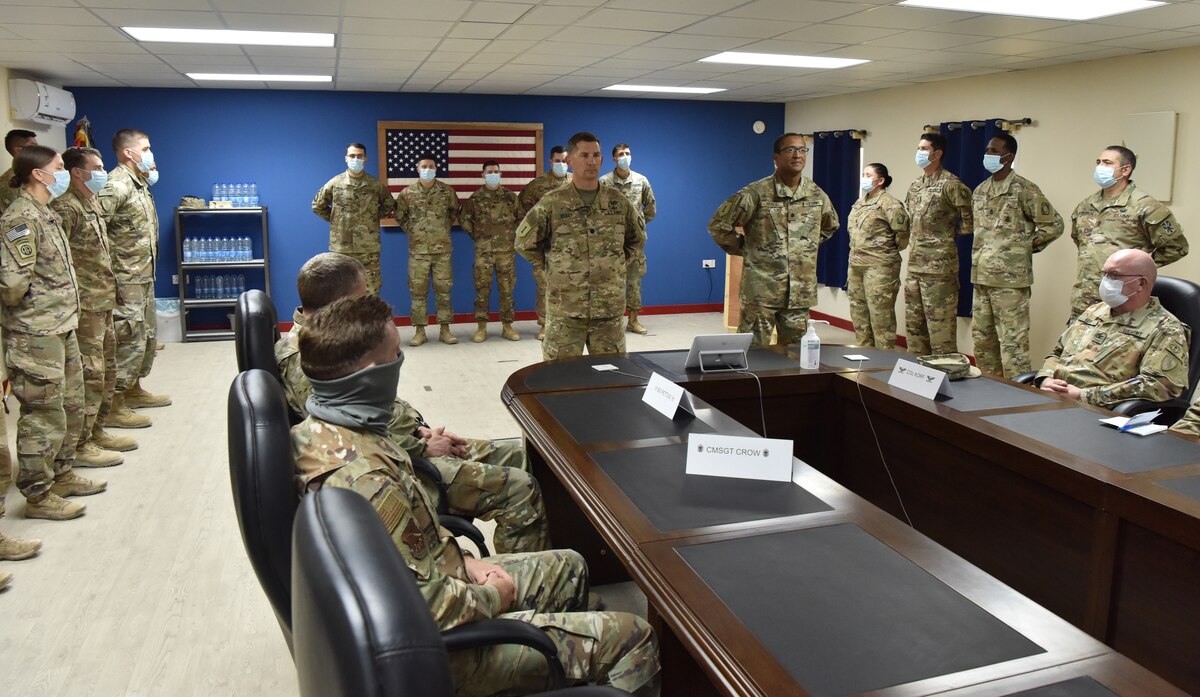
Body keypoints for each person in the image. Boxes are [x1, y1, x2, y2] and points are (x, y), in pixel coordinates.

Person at [291, 293, 660, 696]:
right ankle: (563, 656)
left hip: (442, 589)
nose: (401, 363)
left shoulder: (330, 432)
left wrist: (466, 564)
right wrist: (493, 597)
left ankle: (567, 668)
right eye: (395, 355)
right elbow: (430, 610)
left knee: (571, 567)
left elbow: (413, 553)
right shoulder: (366, 479)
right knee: (635, 637)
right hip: (448, 655)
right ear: (371, 374)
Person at [278, 252, 546, 553]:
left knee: (521, 456)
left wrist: (423, 433)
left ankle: (557, 541)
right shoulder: (307, 355)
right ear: (342, 303)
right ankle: (527, 581)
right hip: (403, 464)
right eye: (363, 293)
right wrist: (424, 447)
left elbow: (368, 411)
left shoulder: (332, 338)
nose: (369, 299)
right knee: (520, 487)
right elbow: (347, 434)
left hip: (411, 443)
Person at [0, 144, 107, 521]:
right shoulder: (19, 220)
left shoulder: (44, 213)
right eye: (59, 167)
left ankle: (61, 473)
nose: (65, 173)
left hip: (62, 325)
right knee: (42, 415)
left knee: (69, 407)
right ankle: (38, 494)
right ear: (38, 174)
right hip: (35, 333)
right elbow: (11, 284)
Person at [516, 132, 644, 360]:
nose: (591, 161)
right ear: (569, 161)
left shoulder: (618, 202)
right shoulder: (552, 202)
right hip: (565, 309)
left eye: (596, 155)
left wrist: (616, 266)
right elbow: (524, 242)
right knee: (559, 380)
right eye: (584, 155)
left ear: (602, 160)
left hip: (608, 308)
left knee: (612, 377)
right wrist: (554, 266)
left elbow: (636, 239)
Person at [707, 132, 838, 347]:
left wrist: (803, 247)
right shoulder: (755, 193)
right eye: (790, 150)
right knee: (752, 353)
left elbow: (830, 225)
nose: (797, 155)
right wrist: (745, 248)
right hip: (761, 292)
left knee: (797, 357)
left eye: (802, 150)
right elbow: (719, 226)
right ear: (775, 158)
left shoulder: (816, 195)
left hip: (799, 293)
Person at [51, 147, 133, 467]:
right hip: (84, 306)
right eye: (96, 168)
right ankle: (81, 444)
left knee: (105, 370)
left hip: (103, 301)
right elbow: (59, 262)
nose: (103, 173)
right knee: (89, 374)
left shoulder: (91, 203)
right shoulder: (65, 207)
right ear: (77, 172)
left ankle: (97, 429)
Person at [1036, 250, 1188, 409]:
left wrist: (1083, 395)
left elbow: (1157, 386)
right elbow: (1057, 352)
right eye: (1105, 274)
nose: (1105, 281)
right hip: (1051, 398)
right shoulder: (1094, 311)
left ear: (1141, 283)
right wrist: (1045, 379)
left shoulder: (1166, 328)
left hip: (1095, 410)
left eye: (1114, 275)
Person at [970, 134, 1064, 377]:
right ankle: (985, 391)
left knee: (1013, 346)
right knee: (983, 342)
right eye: (987, 149)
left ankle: (1017, 398)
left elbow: (1054, 225)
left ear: (1008, 157)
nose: (988, 154)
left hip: (1011, 283)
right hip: (981, 279)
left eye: (994, 150)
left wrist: (1022, 248)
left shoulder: (1025, 189)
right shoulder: (980, 190)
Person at [97, 128, 168, 429]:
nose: (151, 153)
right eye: (146, 148)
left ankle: (133, 389)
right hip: (124, 278)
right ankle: (114, 404)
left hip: (142, 274)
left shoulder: (138, 184)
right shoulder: (116, 184)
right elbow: (95, 230)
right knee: (127, 337)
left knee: (144, 335)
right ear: (129, 152)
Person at [1068, 145, 1187, 319]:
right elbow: (1080, 241)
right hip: (1085, 299)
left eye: (1107, 163)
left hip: (1123, 299)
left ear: (1125, 170)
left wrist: (1138, 267)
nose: (1100, 167)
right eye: (1098, 162)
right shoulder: (1086, 205)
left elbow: (1177, 247)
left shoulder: (1145, 206)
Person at [904, 132, 974, 357]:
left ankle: (946, 375)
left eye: (924, 149)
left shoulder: (951, 185)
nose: (919, 153)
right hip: (915, 266)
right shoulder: (916, 186)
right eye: (918, 148)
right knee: (915, 328)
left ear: (938, 153)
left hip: (939, 270)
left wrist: (944, 238)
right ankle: (915, 375)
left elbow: (970, 222)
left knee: (940, 330)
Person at [309, 142, 396, 295]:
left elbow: (389, 205)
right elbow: (317, 205)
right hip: (342, 247)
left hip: (368, 247)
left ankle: (368, 320)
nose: (356, 159)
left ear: (365, 159)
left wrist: (372, 218)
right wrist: (336, 220)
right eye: (352, 156)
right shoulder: (336, 183)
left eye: (359, 156)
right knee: (340, 291)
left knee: (371, 291)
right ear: (346, 158)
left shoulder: (375, 185)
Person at [395, 152, 460, 346]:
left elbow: (454, 213)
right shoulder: (407, 193)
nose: (427, 170)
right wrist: (414, 231)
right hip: (418, 251)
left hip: (442, 251)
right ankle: (420, 331)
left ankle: (445, 329)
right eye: (424, 166)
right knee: (418, 291)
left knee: (444, 290)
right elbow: (400, 216)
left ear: (436, 169)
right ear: (417, 169)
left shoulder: (447, 192)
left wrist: (441, 230)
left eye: (431, 166)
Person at [847, 162, 909, 349]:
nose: (863, 178)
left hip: (880, 266)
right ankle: (864, 352)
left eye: (868, 175)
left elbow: (903, 234)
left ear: (880, 180)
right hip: (856, 264)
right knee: (859, 312)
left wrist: (883, 251)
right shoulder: (860, 202)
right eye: (863, 174)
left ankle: (884, 358)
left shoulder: (889, 204)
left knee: (880, 314)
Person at [599, 143, 657, 335]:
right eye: (621, 154)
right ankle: (610, 320)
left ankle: (633, 320)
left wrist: (638, 224)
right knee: (609, 282)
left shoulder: (641, 181)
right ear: (614, 159)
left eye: (628, 153)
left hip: (634, 242)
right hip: (610, 241)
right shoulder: (604, 182)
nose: (625, 156)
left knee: (634, 281)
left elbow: (651, 209)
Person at [461, 161, 521, 343]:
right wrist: (479, 237)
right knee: (482, 290)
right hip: (484, 252)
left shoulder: (511, 197)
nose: (493, 174)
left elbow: (521, 219)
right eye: (489, 172)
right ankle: (481, 327)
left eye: (496, 171)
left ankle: (507, 326)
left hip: (506, 252)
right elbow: (464, 219)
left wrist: (512, 237)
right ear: (483, 174)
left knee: (507, 290)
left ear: (500, 174)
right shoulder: (475, 198)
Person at [517, 145, 571, 341]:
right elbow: (523, 210)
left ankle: (569, 324)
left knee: (573, 286)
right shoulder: (537, 185)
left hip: (573, 246)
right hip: (546, 245)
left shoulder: (577, 182)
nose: (561, 164)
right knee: (544, 286)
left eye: (565, 161)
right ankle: (545, 324)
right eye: (557, 161)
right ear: (550, 162)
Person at [0, 129, 38, 213]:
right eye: (34, 146)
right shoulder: (9, 183)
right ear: (19, 150)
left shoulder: (32, 176)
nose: (38, 150)